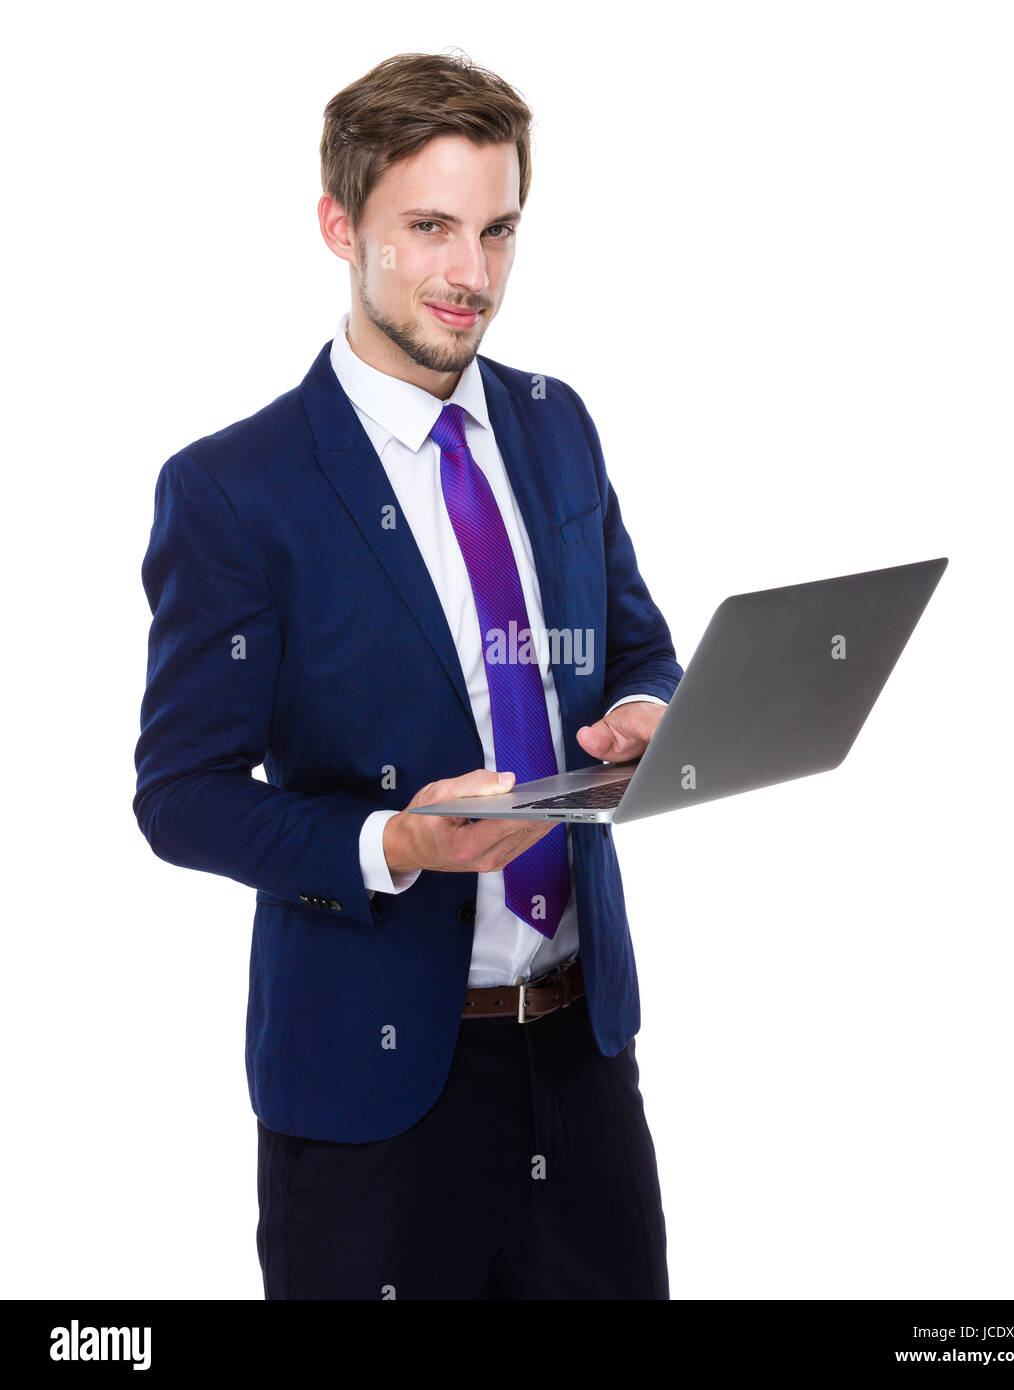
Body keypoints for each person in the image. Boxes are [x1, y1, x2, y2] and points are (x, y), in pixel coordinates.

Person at [134, 50, 683, 1300]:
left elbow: (635, 642)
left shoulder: (556, 424)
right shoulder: (235, 490)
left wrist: (646, 711)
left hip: (583, 1058)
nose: (472, 276)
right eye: (429, 228)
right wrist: (399, 840)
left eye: (497, 229)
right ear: (342, 226)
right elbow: (180, 792)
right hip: (374, 1100)